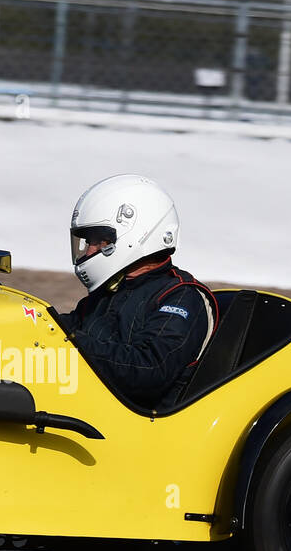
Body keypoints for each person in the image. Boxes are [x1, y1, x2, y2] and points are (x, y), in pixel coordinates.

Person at [60, 175, 217, 409]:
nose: (88, 251)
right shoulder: (108, 293)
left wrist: (68, 342)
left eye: (99, 241)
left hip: (138, 425)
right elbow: (56, 326)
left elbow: (148, 369)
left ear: (136, 235)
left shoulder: (181, 296)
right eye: (87, 242)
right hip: (89, 409)